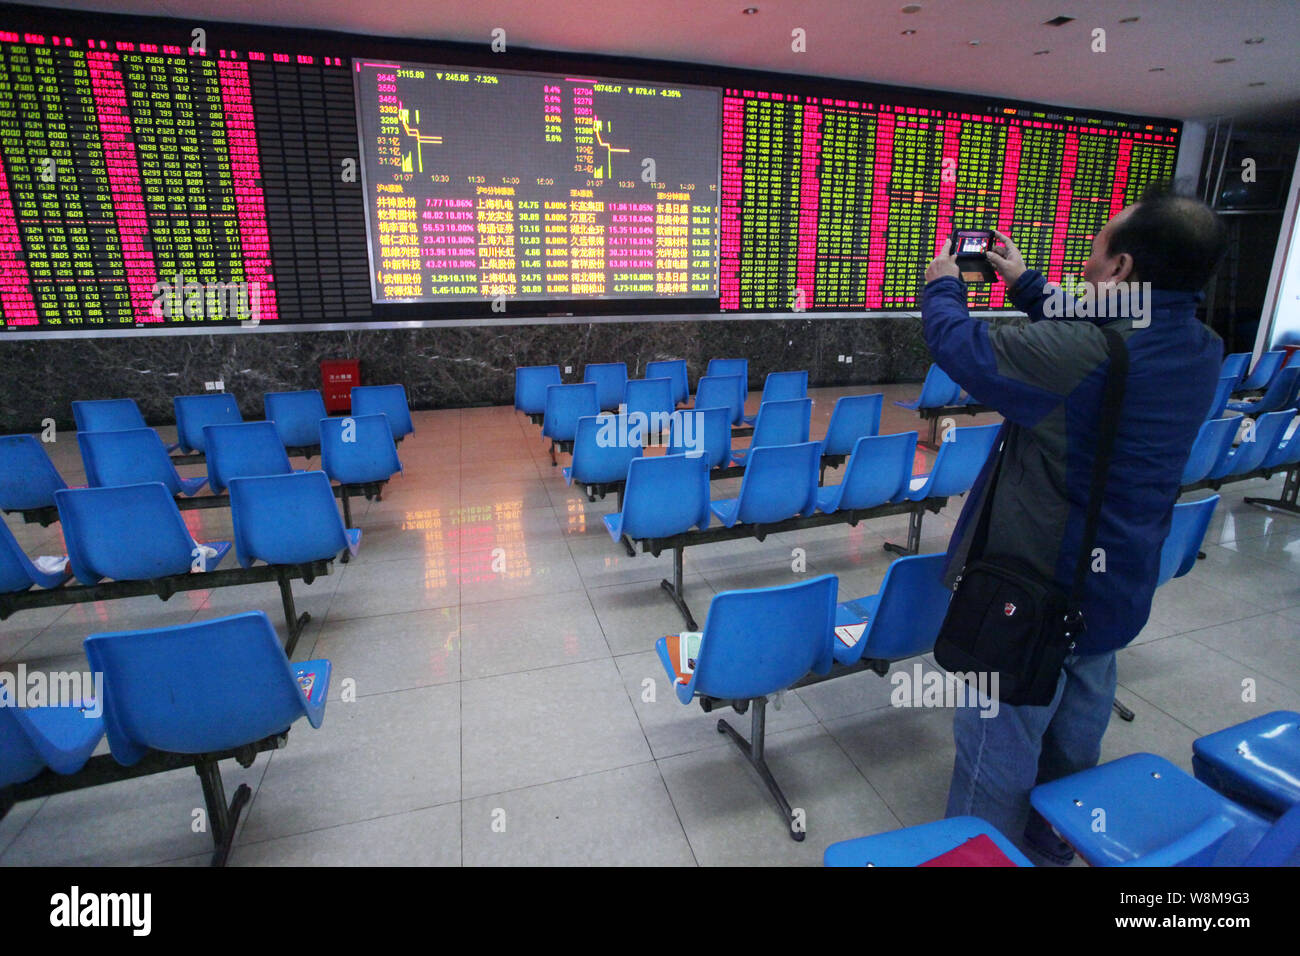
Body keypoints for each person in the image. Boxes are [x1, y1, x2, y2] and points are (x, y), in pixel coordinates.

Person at [920, 185, 1227, 864]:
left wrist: (944, 287)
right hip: (1113, 587)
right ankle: (1052, 842)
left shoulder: (1080, 353)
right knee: (1074, 736)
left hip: (1032, 593)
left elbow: (960, 345)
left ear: (1121, 270)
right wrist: (1025, 282)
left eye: (1096, 250)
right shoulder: (1202, 347)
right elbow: (1108, 334)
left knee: (994, 753)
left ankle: (981, 853)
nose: (1085, 264)